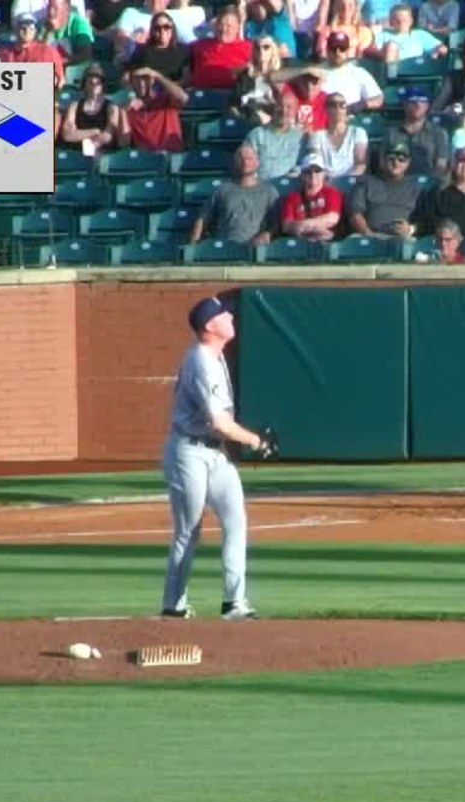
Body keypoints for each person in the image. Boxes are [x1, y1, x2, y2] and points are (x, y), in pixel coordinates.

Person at [159, 296, 277, 621]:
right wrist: (255, 440)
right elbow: (218, 422)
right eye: (224, 314)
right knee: (188, 530)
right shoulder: (201, 360)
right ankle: (174, 605)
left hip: (215, 454)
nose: (230, 317)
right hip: (189, 453)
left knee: (235, 521)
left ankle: (234, 603)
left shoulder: (215, 356)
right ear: (210, 325)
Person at [189, 145, 279, 245]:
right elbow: (203, 219)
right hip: (224, 246)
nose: (245, 162)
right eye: (240, 158)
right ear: (235, 162)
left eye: (249, 158)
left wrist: (266, 235)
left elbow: (277, 223)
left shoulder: (269, 191)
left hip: (255, 248)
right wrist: (193, 245)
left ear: (257, 163)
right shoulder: (221, 190)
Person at [349, 141, 421, 237]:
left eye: (401, 159)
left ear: (408, 163)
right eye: (391, 158)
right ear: (382, 160)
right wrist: (368, 234)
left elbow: (424, 220)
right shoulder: (366, 182)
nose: (396, 163)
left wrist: (410, 229)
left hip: (403, 238)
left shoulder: (415, 187)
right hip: (370, 235)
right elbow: (355, 213)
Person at [59, 63, 128, 155]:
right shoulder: (74, 106)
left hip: (103, 152)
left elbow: (108, 135)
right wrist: (95, 131)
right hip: (77, 152)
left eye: (97, 83)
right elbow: (67, 135)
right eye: (90, 82)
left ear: (103, 85)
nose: (94, 86)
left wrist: (84, 139)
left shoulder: (111, 107)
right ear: (85, 84)